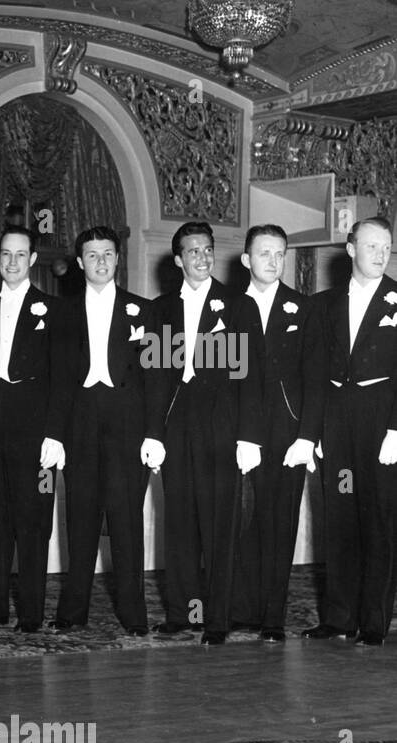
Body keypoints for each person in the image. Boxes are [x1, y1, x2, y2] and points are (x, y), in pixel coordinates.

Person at [148, 220, 264, 645]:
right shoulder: (160, 309)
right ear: (178, 259)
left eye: (207, 249)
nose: (202, 257)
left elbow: (250, 377)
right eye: (193, 251)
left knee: (219, 524)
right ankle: (184, 613)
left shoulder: (238, 305)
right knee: (179, 522)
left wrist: (249, 437)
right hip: (177, 426)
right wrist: (152, 435)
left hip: (222, 426)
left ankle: (217, 619)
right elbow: (156, 378)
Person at [51, 225, 157, 636]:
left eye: (108, 254)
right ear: (80, 262)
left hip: (128, 427)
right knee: (80, 519)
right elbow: (56, 380)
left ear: (117, 259)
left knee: (127, 521)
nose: (101, 261)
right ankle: (72, 610)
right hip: (80, 426)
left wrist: (154, 434)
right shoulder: (62, 313)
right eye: (92, 255)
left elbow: (158, 377)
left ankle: (134, 614)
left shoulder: (144, 311)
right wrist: (55, 434)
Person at [0, 224, 73, 632]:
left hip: (36, 432)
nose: (12, 262)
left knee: (34, 521)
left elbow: (63, 379)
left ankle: (31, 614)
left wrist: (55, 433)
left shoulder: (56, 310)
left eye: (20, 254)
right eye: (6, 254)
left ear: (32, 259)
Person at [301, 217, 397, 646]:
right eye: (372, 246)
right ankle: (339, 617)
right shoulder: (324, 305)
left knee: (379, 519)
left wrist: (396, 430)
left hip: (381, 422)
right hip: (338, 422)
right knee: (340, 515)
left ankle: (374, 622)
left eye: (387, 247)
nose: (380, 254)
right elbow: (315, 372)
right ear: (351, 249)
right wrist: (316, 431)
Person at [229, 224, 314, 643]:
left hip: (286, 435)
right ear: (246, 259)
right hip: (236, 433)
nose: (273, 261)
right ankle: (241, 610)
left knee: (280, 524)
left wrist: (308, 436)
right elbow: (217, 372)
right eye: (264, 253)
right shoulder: (225, 307)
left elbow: (315, 378)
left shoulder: (304, 308)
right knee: (239, 524)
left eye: (280, 254)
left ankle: (273, 618)